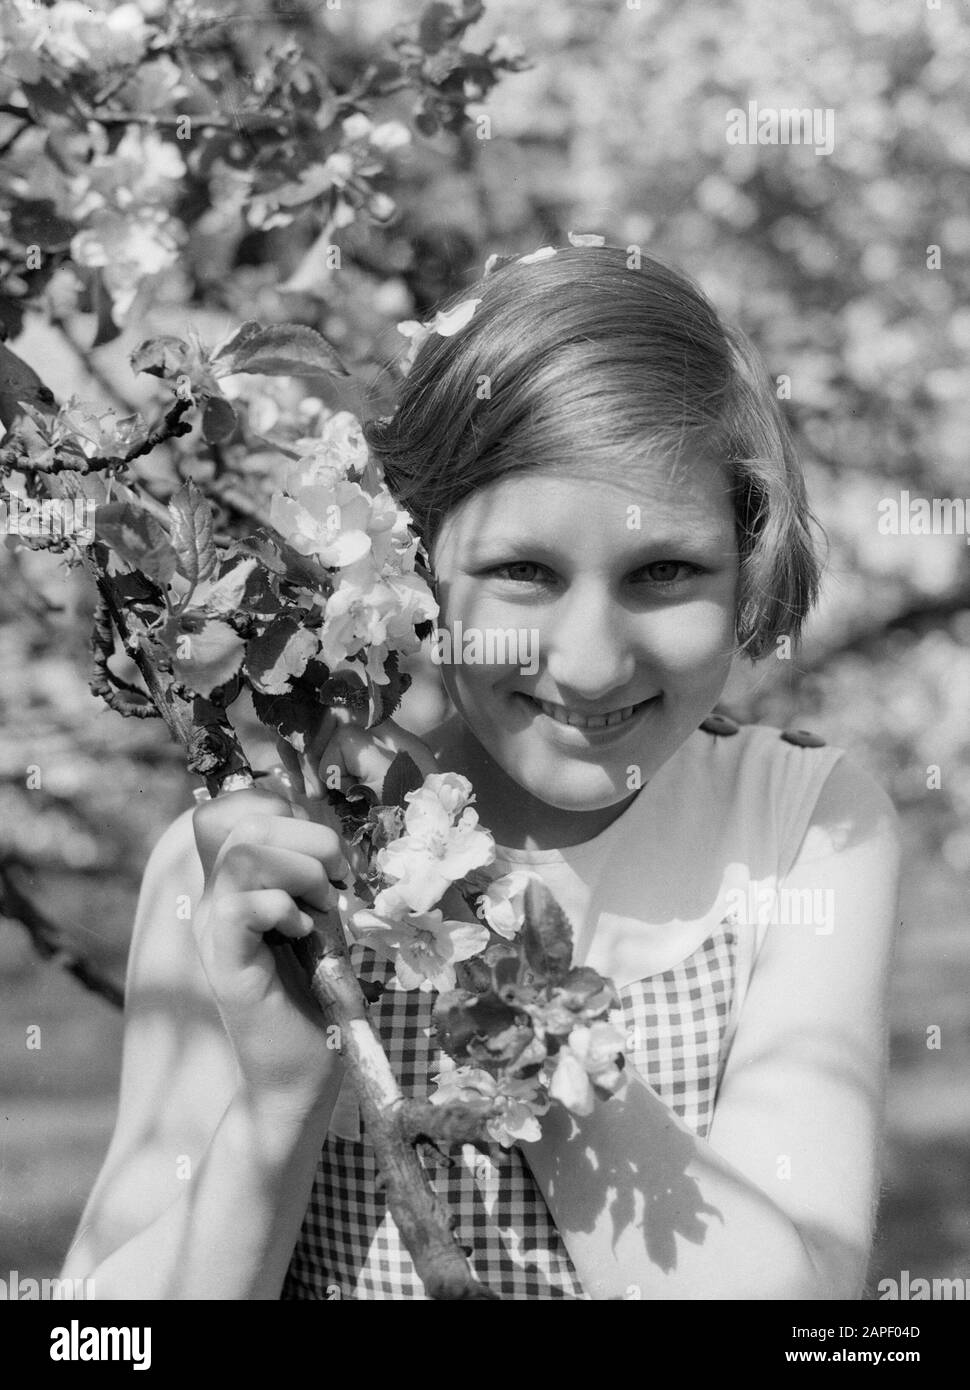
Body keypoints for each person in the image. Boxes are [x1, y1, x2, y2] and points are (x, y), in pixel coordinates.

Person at [61, 246, 900, 1300]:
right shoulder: (263, 860)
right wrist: (279, 1106)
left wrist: (523, 1023)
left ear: (747, 567)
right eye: (521, 572)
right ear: (408, 555)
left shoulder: (804, 831)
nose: (591, 659)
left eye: (665, 572)